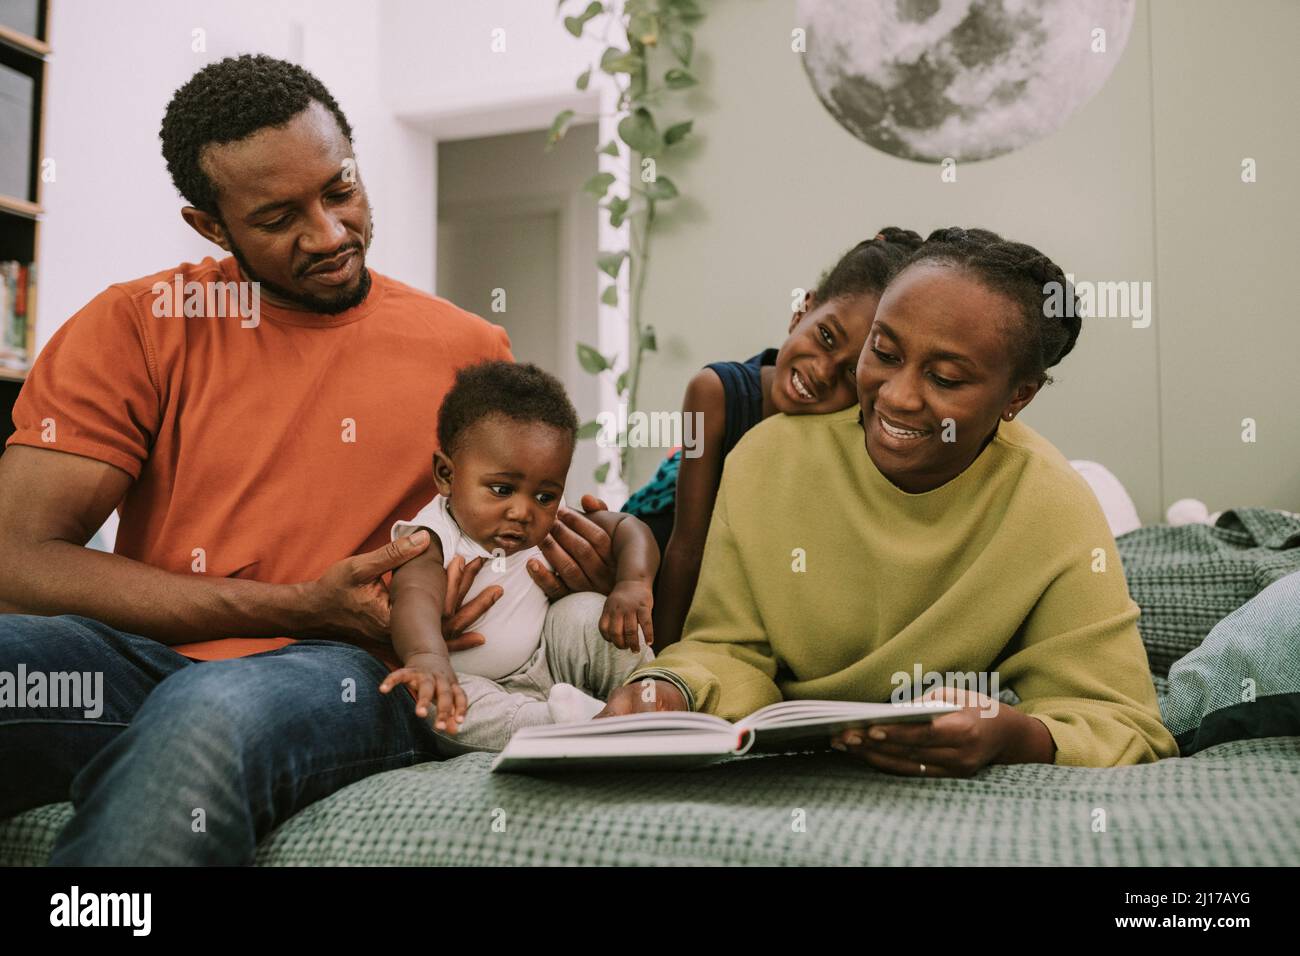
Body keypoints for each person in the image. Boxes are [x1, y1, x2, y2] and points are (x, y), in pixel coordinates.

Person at [0, 55, 616, 864]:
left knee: (209, 715)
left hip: (356, 674)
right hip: (144, 662)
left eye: (341, 190)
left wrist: (580, 563)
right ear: (211, 225)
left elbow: (508, 523)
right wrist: (292, 602)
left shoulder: (468, 349)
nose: (328, 234)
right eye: (278, 216)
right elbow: (17, 561)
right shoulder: (136, 326)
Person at [601, 227, 1180, 773]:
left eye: (946, 378)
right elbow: (726, 649)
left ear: (1018, 397)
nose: (898, 398)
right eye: (883, 352)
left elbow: (1122, 720)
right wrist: (669, 689)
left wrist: (1013, 736)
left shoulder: (1054, 507)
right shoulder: (766, 459)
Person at [623, 227, 922, 649]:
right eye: (825, 337)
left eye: (852, 371)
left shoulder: (856, 428)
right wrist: (660, 665)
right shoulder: (712, 392)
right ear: (803, 311)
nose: (822, 371)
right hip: (661, 541)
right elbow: (689, 549)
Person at [379, 361, 657, 752]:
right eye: (502, 489)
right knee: (448, 709)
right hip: (475, 684)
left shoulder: (549, 524)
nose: (524, 511)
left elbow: (629, 527)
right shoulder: (434, 534)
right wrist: (426, 657)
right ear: (446, 474)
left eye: (545, 495)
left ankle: (651, 696)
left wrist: (632, 582)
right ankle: (570, 722)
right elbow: (413, 593)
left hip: (548, 659)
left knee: (588, 611)